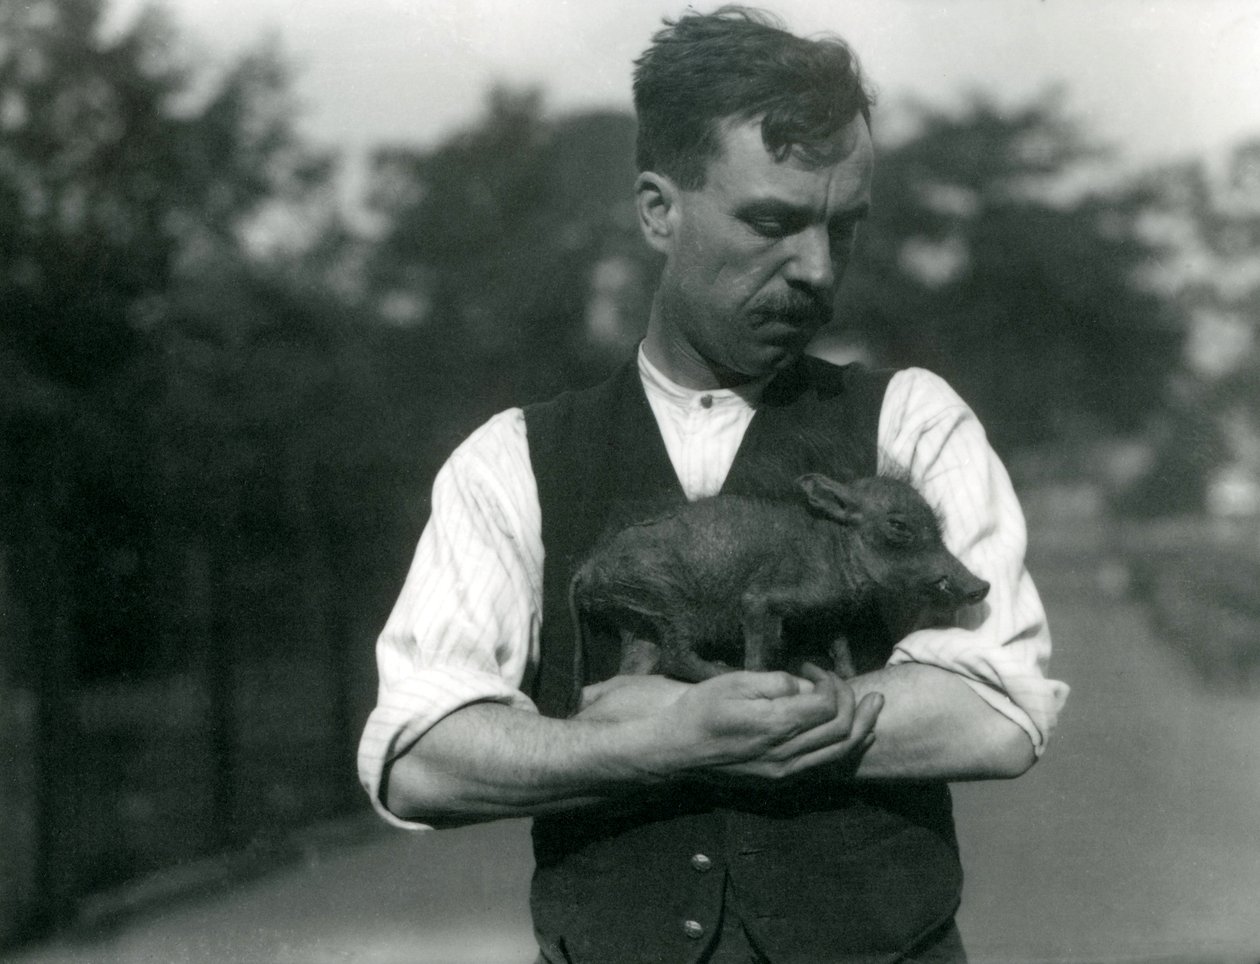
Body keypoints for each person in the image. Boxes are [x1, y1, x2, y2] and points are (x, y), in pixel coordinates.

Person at [357, 6, 1069, 963]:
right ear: (659, 209)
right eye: (771, 222)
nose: (816, 270)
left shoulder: (912, 423)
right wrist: (655, 744)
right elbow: (417, 757)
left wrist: (707, 728)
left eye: (841, 228)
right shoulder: (511, 460)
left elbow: (999, 711)